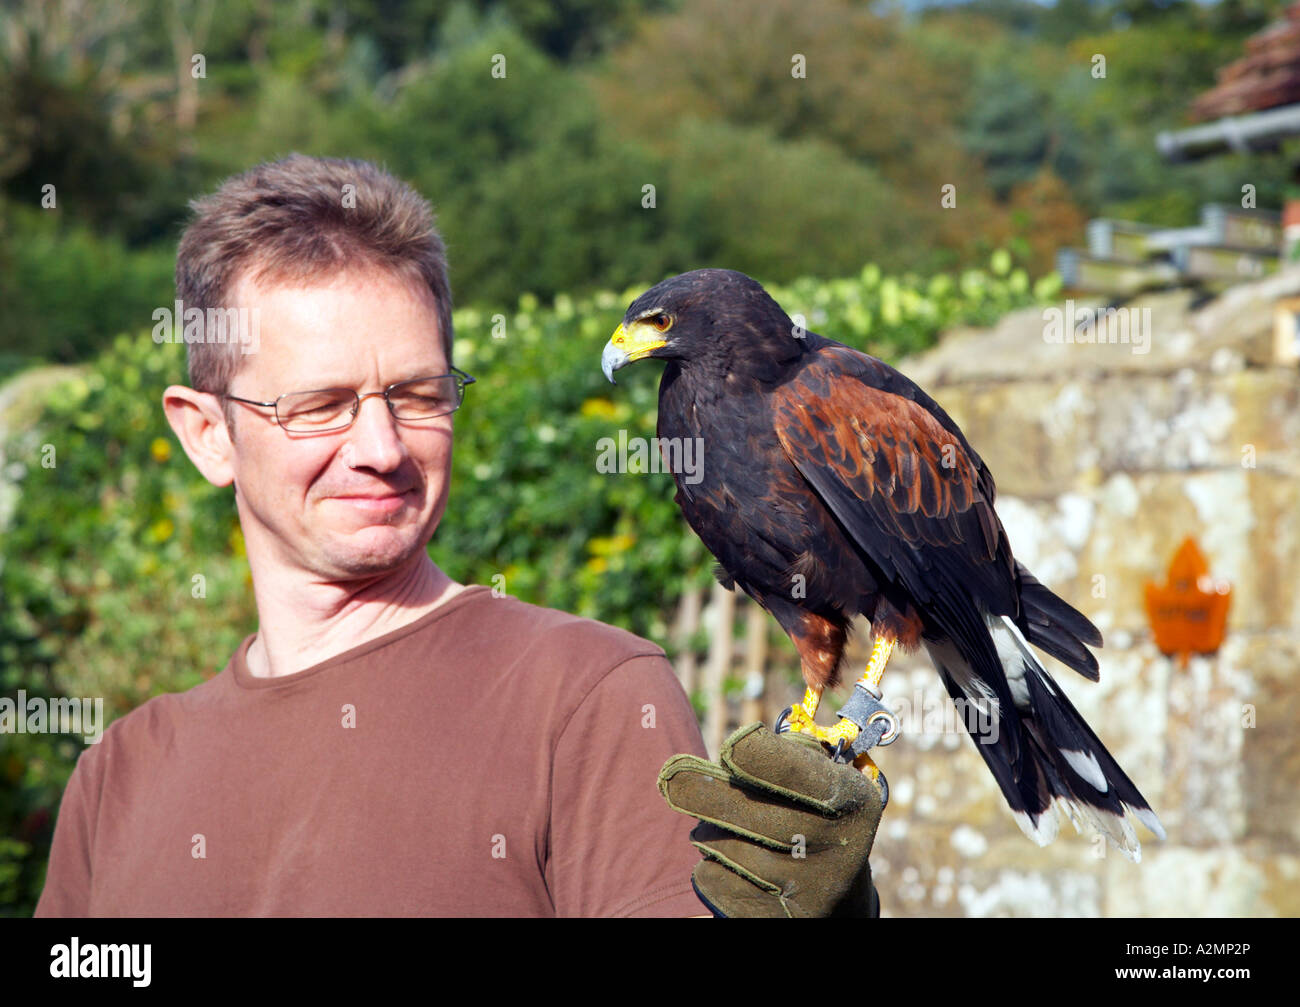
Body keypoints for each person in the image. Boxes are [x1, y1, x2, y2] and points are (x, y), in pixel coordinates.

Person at [34, 154, 881, 918]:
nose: (381, 448)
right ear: (206, 434)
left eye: (418, 395)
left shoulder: (589, 700)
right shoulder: (116, 779)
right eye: (320, 406)